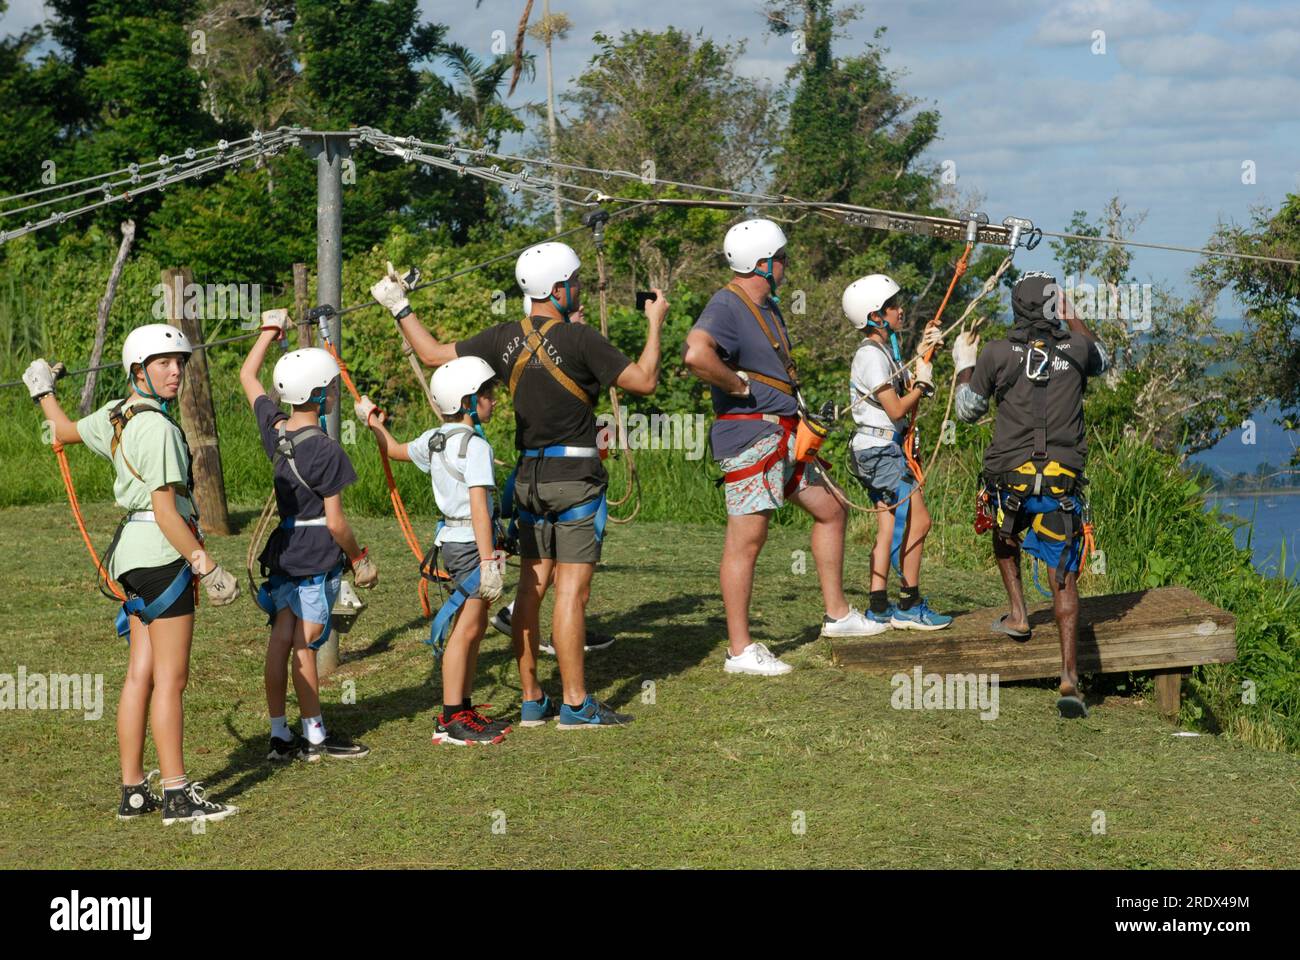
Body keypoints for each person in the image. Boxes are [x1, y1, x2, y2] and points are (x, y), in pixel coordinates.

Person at [369, 243, 666, 729]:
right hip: (575, 481)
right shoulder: (581, 339)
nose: (579, 289)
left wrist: (400, 306)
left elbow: (429, 353)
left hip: (527, 480)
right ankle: (574, 703)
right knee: (571, 591)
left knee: (531, 586)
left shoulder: (504, 338)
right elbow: (646, 380)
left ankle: (532, 699)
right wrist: (655, 323)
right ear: (558, 289)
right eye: (574, 282)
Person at [23, 325, 240, 824]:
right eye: (162, 363)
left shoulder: (115, 414)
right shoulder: (160, 429)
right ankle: (177, 796)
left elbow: (62, 430)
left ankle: (133, 791)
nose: (175, 371)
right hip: (164, 555)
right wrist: (205, 566)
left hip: (131, 559)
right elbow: (167, 512)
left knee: (141, 672)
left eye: (179, 362)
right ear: (138, 371)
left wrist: (43, 393)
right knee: (172, 679)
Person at [683, 218, 884, 678]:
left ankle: (837, 615)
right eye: (782, 258)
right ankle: (739, 650)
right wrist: (734, 384)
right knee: (747, 540)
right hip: (753, 439)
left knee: (832, 508)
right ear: (762, 263)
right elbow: (696, 353)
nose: (786, 264)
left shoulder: (767, 306)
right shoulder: (727, 304)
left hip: (784, 436)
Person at [953, 271, 1107, 718]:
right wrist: (1070, 311)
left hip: (1010, 477)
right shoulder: (1078, 351)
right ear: (1054, 309)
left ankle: (1019, 615)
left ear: (1017, 308)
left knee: (1005, 536)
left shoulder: (997, 353)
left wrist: (964, 362)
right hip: (1060, 482)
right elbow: (1104, 356)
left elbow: (967, 411)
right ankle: (1069, 677)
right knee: (1064, 574)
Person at [239, 311, 376, 761]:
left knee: (283, 639)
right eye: (332, 386)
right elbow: (336, 523)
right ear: (319, 396)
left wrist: (267, 333)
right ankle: (315, 735)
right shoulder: (327, 450)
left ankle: (280, 734)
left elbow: (248, 376)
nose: (336, 391)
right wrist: (359, 559)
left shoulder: (275, 432)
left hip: (284, 551)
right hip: (316, 554)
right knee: (305, 645)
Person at [357, 356, 513, 745]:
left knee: (472, 627)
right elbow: (479, 505)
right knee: (467, 629)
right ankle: (450, 719)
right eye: (486, 394)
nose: (493, 400)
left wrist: (372, 422)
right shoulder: (474, 447)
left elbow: (393, 450)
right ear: (467, 403)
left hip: (455, 544)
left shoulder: (435, 439)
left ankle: (462, 708)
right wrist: (489, 559)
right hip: (471, 547)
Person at [842, 274, 952, 630]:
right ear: (876, 316)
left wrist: (925, 349)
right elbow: (896, 409)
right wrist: (922, 384)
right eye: (893, 306)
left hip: (877, 448)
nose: (900, 310)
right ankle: (909, 603)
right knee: (919, 520)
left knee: (888, 524)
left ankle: (878, 605)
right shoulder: (871, 356)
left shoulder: (883, 351)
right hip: (880, 451)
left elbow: (898, 385)